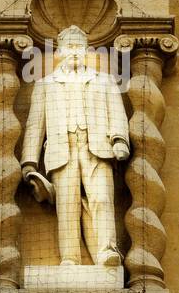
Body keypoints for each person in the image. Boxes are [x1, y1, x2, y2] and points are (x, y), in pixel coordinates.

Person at [20, 25, 130, 268]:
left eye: (79, 47)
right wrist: (29, 162)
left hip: (97, 149)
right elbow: (35, 125)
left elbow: (117, 112)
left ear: (86, 50)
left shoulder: (104, 80)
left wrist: (120, 140)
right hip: (61, 150)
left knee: (101, 199)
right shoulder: (46, 84)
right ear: (60, 51)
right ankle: (69, 258)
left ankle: (107, 251)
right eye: (69, 47)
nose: (74, 52)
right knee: (67, 207)